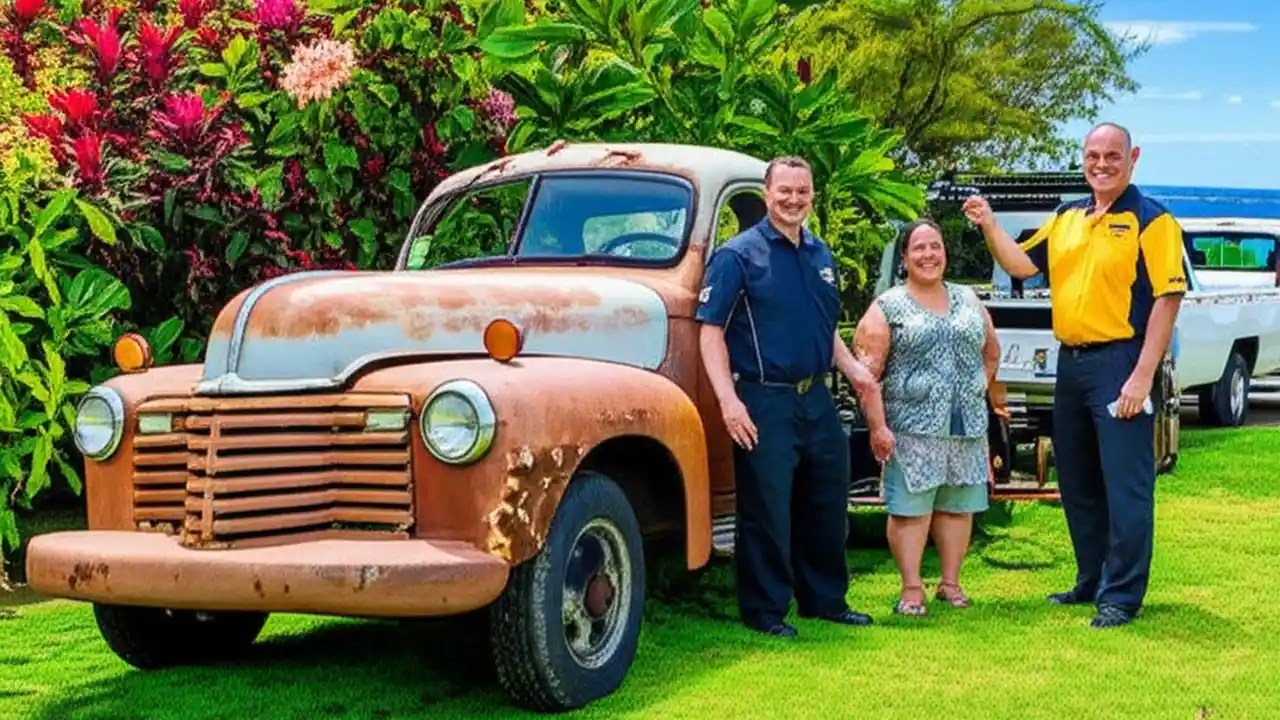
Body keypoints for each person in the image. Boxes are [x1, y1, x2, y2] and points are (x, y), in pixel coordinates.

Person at [962, 122, 1186, 628]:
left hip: (1121, 362)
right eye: (1093, 155)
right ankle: (1091, 579)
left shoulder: (1153, 221)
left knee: (1126, 485)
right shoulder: (1067, 216)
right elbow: (1022, 265)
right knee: (1079, 480)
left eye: (1112, 155)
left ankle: (1122, 596)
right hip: (1073, 362)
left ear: (1133, 158)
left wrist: (1141, 376)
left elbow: (1168, 299)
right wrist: (989, 224)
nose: (1101, 164)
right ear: (1083, 159)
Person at [695, 155, 880, 638]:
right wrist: (728, 401)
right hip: (763, 398)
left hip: (817, 399)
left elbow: (824, 329)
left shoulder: (821, 255)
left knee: (826, 503)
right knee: (768, 510)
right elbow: (710, 332)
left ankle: (825, 600)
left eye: (802, 192)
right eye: (785, 191)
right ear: (767, 193)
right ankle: (765, 610)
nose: (793, 200)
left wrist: (855, 370)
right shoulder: (738, 256)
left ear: (812, 196)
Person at [853, 218, 1000, 616]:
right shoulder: (888, 306)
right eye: (919, 248)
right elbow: (867, 374)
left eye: (935, 246)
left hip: (965, 428)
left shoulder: (968, 298)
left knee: (958, 506)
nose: (928, 255)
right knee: (910, 510)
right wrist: (878, 426)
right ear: (905, 258)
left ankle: (950, 584)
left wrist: (973, 388)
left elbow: (990, 351)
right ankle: (912, 587)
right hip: (910, 429)